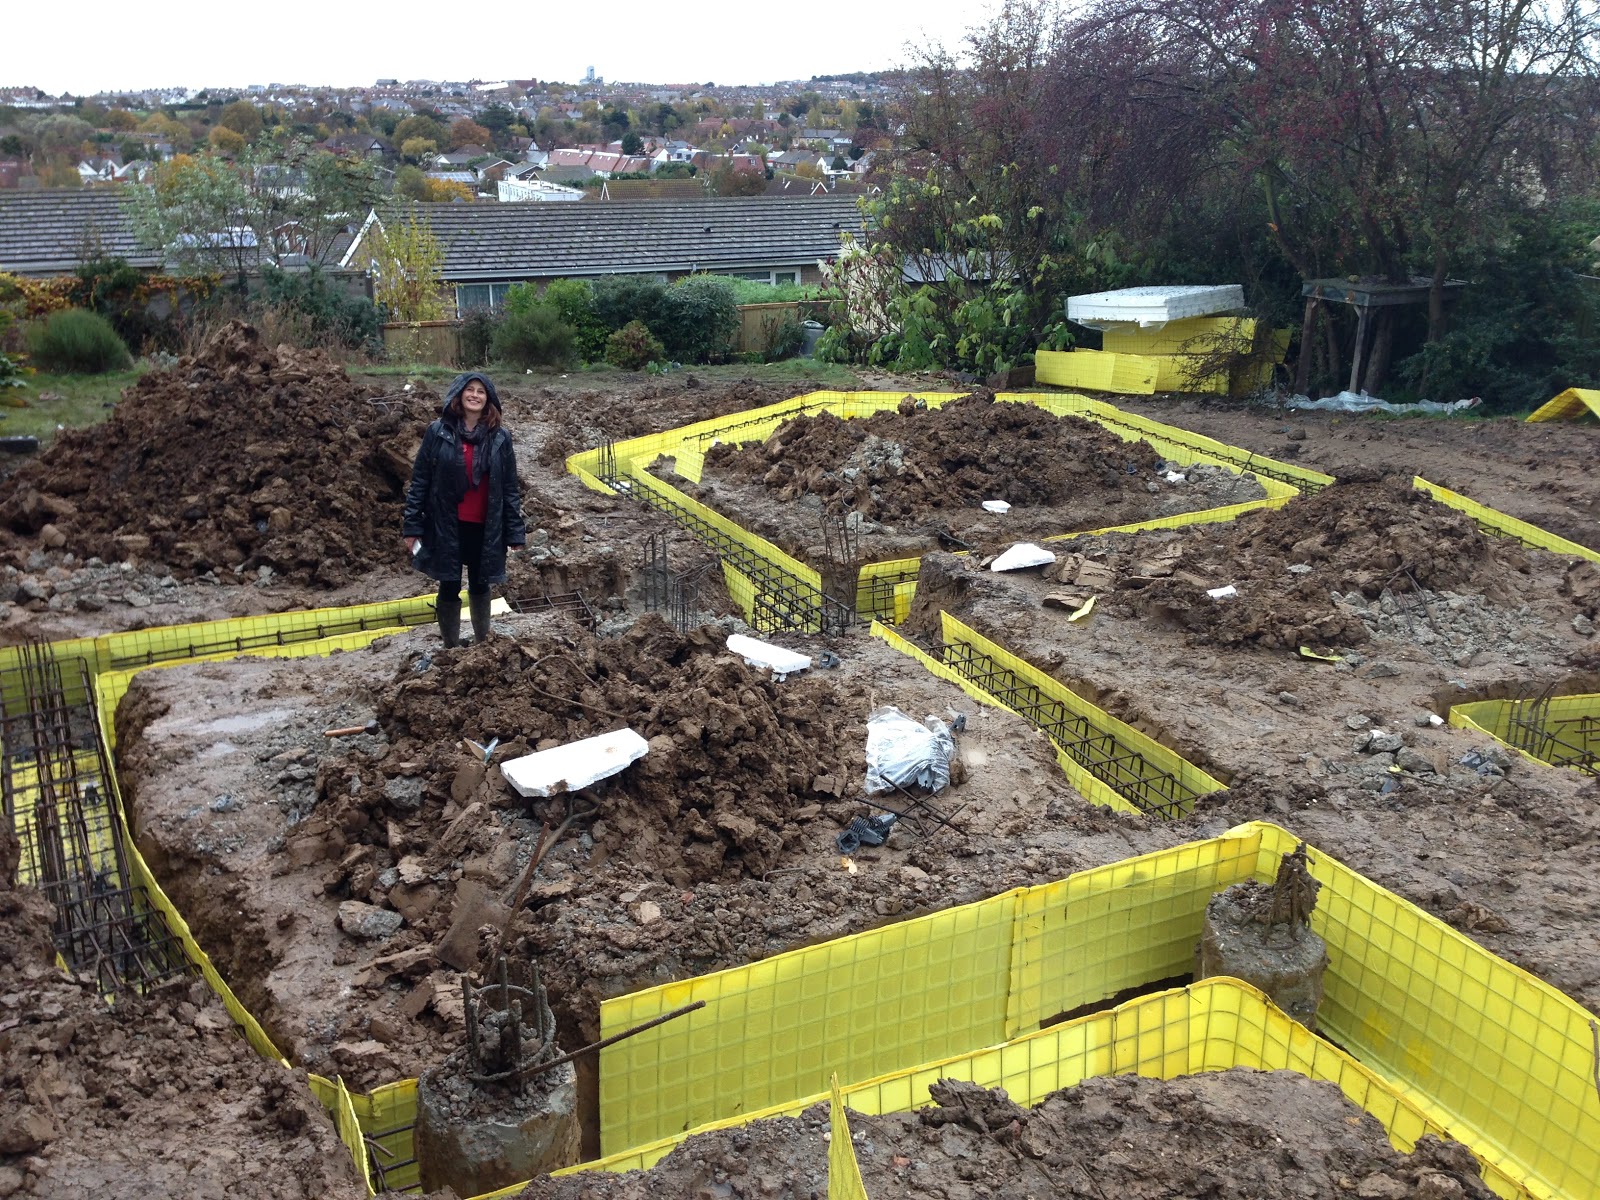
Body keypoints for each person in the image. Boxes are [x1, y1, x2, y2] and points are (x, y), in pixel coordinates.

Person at [403, 372, 525, 646]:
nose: (474, 395)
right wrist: (412, 526)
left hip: (485, 526)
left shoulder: (500, 438)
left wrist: (515, 532)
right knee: (448, 584)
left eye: (481, 391)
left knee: (481, 584)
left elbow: (509, 487)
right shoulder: (438, 432)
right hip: (447, 524)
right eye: (469, 390)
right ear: (458, 395)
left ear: (488, 399)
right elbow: (420, 480)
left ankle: (483, 644)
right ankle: (451, 647)